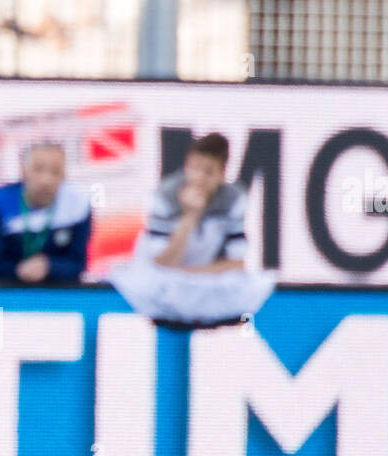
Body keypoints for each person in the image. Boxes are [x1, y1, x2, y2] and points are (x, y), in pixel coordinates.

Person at [110, 133, 275, 326]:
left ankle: (212, 317)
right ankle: (171, 316)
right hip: (165, 274)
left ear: (221, 175)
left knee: (254, 283)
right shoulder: (164, 197)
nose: (199, 178)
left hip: (205, 274)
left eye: (208, 172)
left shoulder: (234, 200)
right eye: (194, 168)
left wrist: (193, 273)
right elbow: (161, 260)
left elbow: (237, 263)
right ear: (186, 166)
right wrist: (189, 217)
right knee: (154, 285)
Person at [0, 142, 90, 284]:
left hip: (53, 294)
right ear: (24, 171)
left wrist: (50, 267)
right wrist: (18, 270)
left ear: (63, 175)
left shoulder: (78, 206)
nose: (46, 180)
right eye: (38, 169)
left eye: (55, 171)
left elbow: (78, 264)